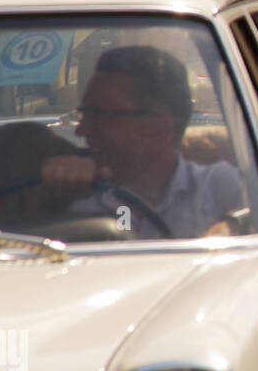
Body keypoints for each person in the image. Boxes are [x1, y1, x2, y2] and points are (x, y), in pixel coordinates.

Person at [38, 46, 246, 240]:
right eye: (85, 114)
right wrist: (55, 198)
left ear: (159, 127)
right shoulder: (76, 197)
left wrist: (229, 227)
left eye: (101, 115)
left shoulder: (219, 188)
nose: (81, 130)